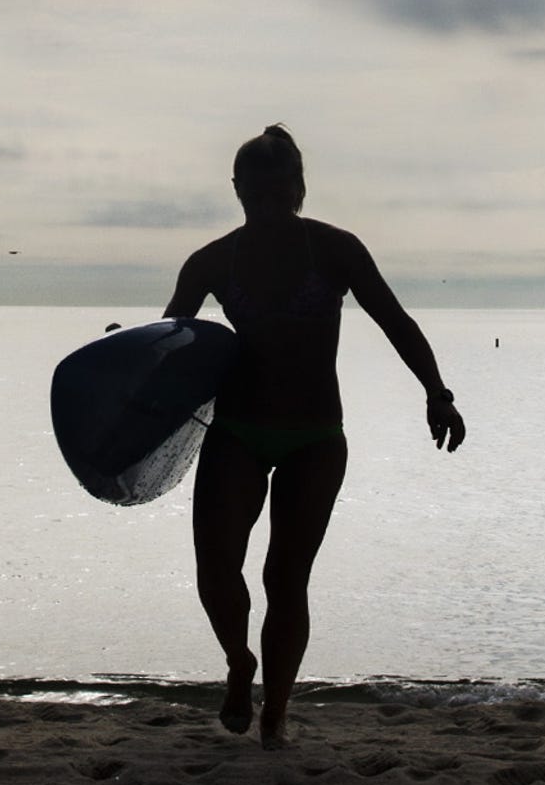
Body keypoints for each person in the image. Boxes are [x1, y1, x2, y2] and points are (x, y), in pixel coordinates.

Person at [160, 124, 464, 749]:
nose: (268, 205)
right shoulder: (212, 260)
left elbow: (395, 321)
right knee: (216, 570)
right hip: (237, 431)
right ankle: (239, 664)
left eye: (280, 192)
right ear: (237, 190)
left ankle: (276, 710)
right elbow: (171, 340)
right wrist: (125, 357)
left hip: (315, 438)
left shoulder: (336, 250)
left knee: (284, 579)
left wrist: (437, 392)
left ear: (299, 188)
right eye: (256, 194)